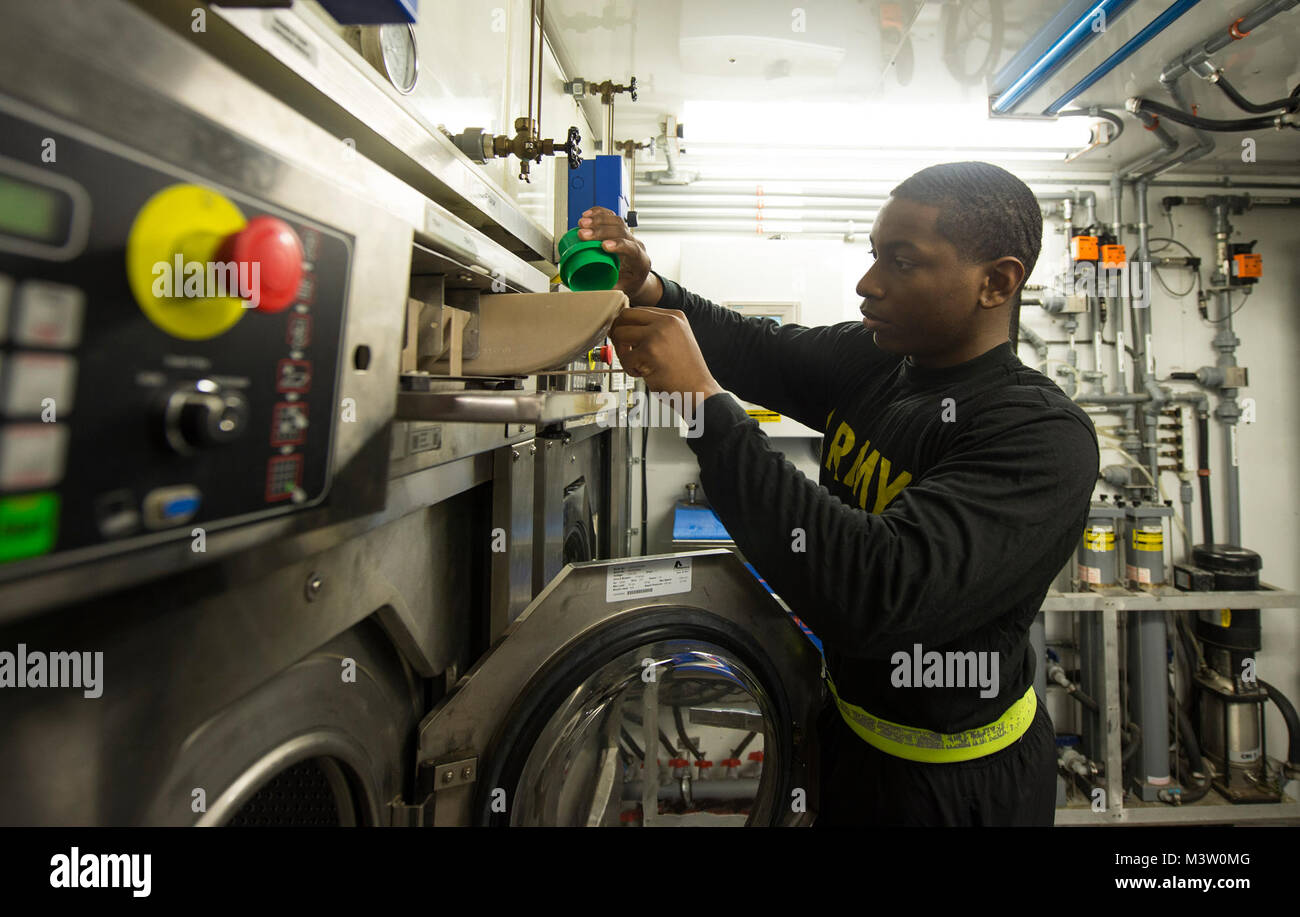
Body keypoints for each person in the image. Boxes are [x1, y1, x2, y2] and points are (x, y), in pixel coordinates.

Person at [589, 160, 1099, 826]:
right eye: (873, 255)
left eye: (902, 261)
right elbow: (753, 347)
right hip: (852, 739)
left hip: (958, 786)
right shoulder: (880, 362)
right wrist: (650, 288)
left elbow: (874, 592)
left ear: (996, 281)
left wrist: (705, 407)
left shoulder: (1036, 434)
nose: (868, 283)